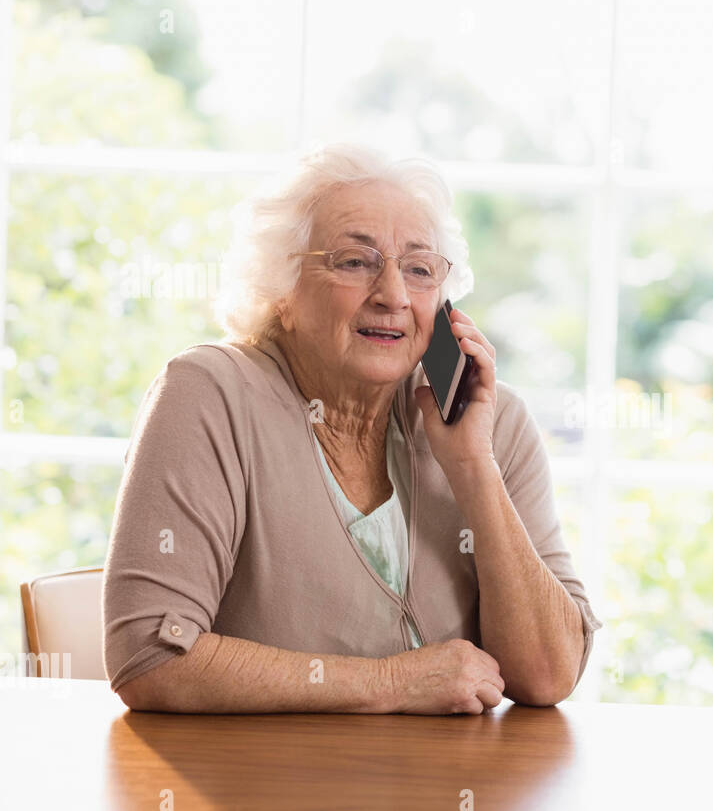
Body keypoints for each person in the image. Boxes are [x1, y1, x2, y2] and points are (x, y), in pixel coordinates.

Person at [102, 143, 601, 714]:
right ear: (281, 292)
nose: (392, 296)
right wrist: (392, 682)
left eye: (419, 270)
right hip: (259, 791)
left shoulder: (488, 419)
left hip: (450, 797)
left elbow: (548, 675)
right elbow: (150, 657)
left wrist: (472, 467)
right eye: (355, 262)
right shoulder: (211, 394)